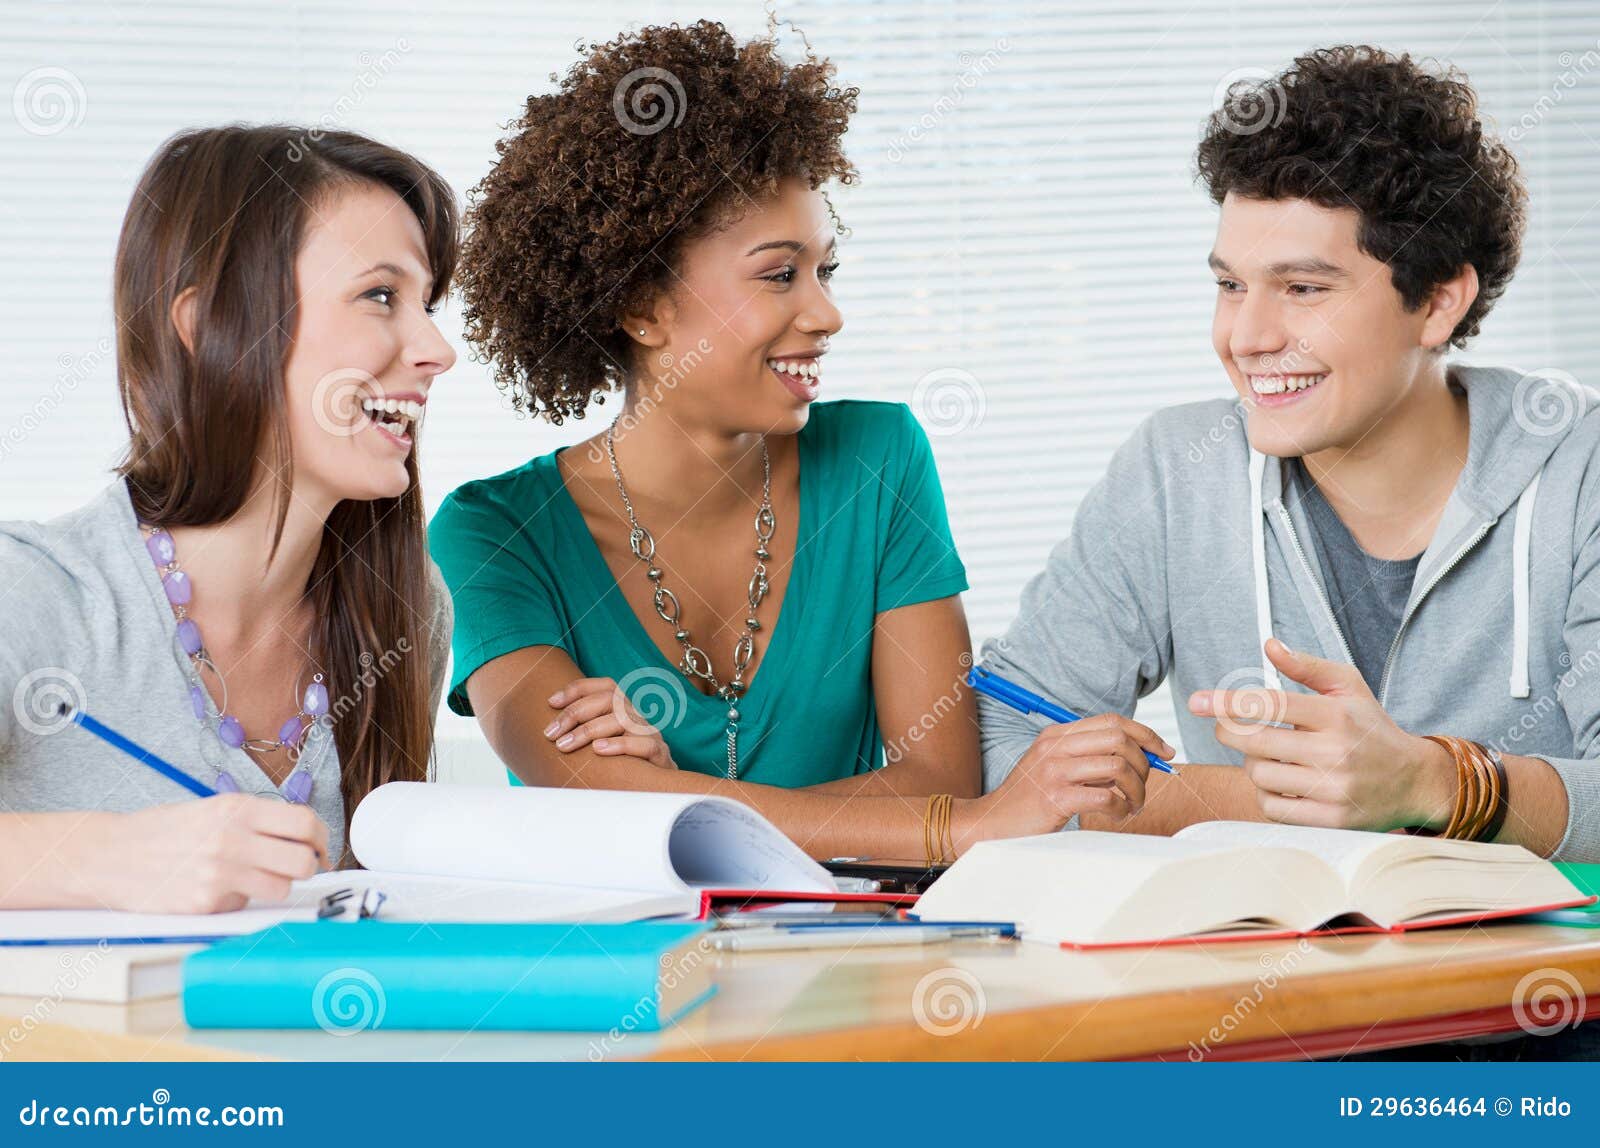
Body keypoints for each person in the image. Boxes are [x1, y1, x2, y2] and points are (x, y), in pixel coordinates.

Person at [429, 21, 1165, 860]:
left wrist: (674, 803)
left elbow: (940, 776)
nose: (826, 314)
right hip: (618, 968)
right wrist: (951, 828)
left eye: (826, 271)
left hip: (853, 951)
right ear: (643, 306)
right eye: (780, 275)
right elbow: (583, 799)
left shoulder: (878, 457)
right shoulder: (494, 533)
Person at [980, 44, 1599, 866]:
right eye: (1231, 285)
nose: (1246, 337)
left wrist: (1432, 785)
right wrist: (1274, 798)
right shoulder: (1176, 469)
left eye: (1303, 289)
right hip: (1267, 981)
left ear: (1440, 300)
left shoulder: (1579, 465)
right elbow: (1007, 741)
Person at [0, 124, 457, 912]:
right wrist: (109, 857)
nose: (437, 349)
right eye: (380, 295)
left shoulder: (409, 611)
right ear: (211, 320)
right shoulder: (35, 596)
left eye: (428, 302)